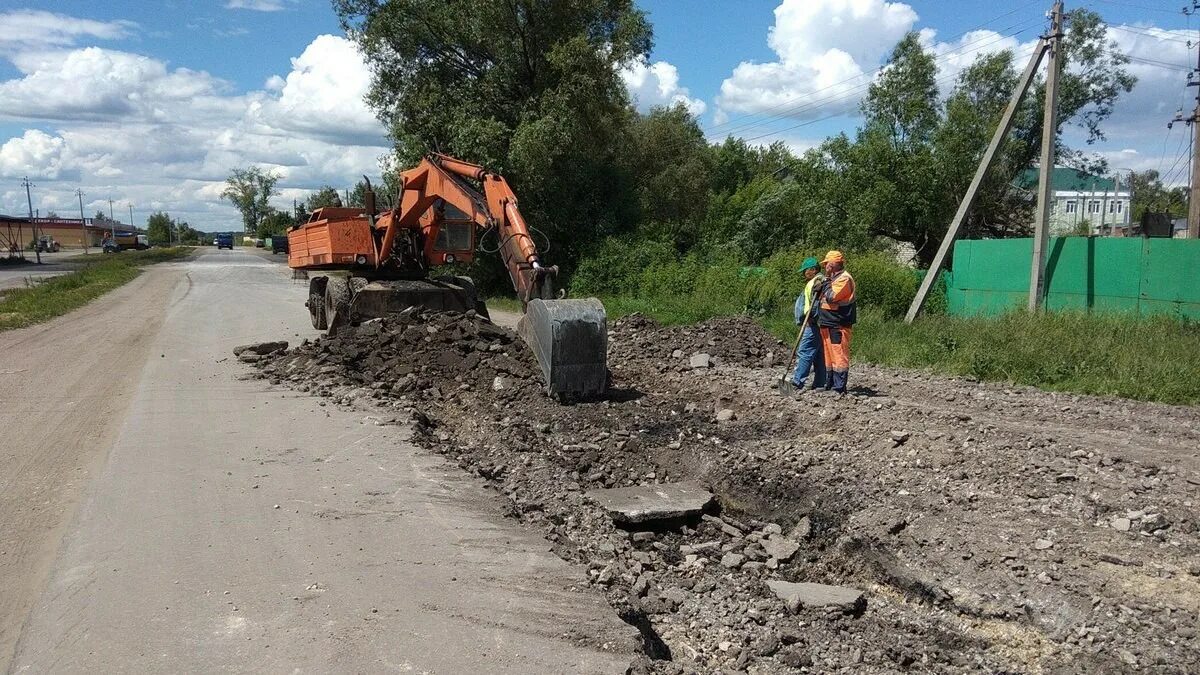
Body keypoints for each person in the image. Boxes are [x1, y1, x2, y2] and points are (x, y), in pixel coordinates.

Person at [816, 250, 856, 394]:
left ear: (833, 264)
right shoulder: (833, 278)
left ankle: (839, 387)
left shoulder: (844, 279)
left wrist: (825, 285)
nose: (825, 266)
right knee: (829, 356)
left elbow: (832, 297)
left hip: (838, 323)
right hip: (827, 322)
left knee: (839, 355)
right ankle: (830, 384)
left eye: (827, 263)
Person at [789, 256, 825, 391]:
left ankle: (797, 382)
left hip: (812, 323)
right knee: (818, 354)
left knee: (805, 351)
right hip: (817, 324)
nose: (804, 274)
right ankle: (820, 382)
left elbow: (816, 303)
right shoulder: (814, 281)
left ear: (813, 270)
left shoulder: (818, 280)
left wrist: (812, 318)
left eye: (806, 271)